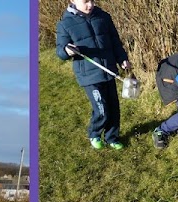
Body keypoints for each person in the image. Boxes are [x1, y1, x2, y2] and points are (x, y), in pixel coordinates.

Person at [55, 0, 131, 150]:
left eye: (92, 0)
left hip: (108, 70)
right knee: (102, 108)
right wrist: (67, 50)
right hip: (89, 75)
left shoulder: (103, 17)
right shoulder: (65, 24)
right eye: (85, 1)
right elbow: (60, 51)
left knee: (113, 108)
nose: (90, 5)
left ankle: (112, 137)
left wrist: (122, 58)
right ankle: (94, 133)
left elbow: (115, 41)